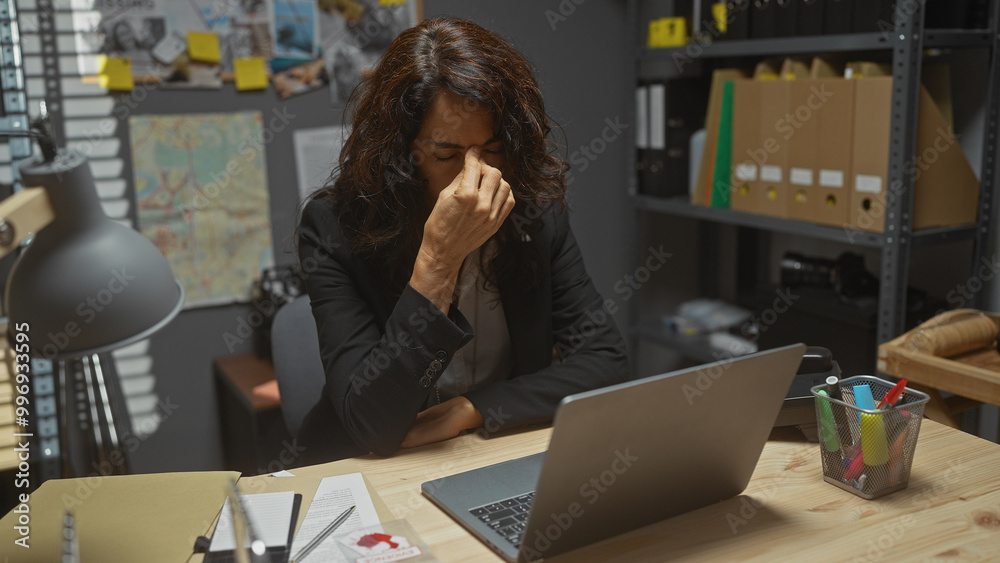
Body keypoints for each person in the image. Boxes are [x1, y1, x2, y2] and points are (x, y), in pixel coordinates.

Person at [296, 16, 629, 464]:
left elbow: (605, 359)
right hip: (370, 466)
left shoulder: (537, 210)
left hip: (496, 446)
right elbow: (371, 422)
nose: (478, 177)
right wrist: (438, 259)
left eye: (492, 150)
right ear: (402, 153)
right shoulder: (334, 226)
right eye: (446, 154)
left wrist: (473, 409)